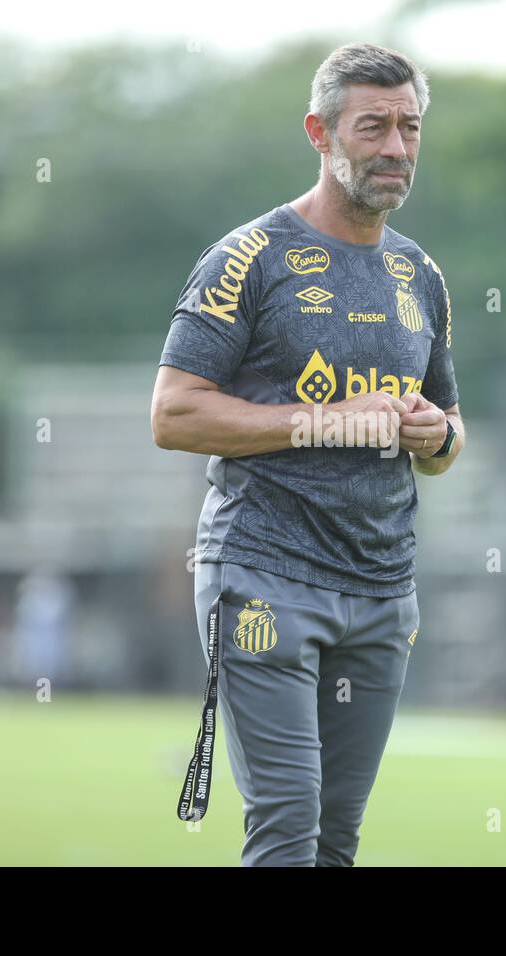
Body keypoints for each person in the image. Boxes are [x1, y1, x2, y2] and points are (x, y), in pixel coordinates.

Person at [152, 42, 465, 866]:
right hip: (263, 575)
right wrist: (327, 420)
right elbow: (174, 414)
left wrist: (436, 436)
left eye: (410, 127)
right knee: (287, 827)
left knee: (335, 841)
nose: (396, 147)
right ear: (320, 133)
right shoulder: (248, 258)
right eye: (373, 127)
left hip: (381, 591)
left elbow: (448, 434)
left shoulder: (420, 275)